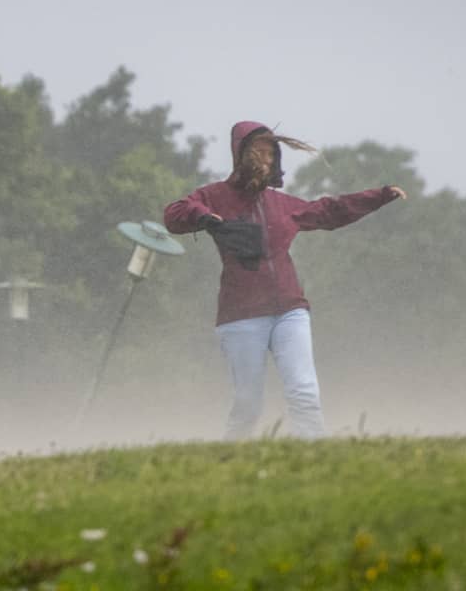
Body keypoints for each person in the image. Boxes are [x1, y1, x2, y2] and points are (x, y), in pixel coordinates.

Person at [163, 121, 406, 440]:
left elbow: (330, 211)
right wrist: (204, 218)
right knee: (248, 403)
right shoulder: (214, 196)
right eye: (258, 152)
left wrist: (380, 196)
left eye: (270, 154)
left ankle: (318, 458)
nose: (264, 160)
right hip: (240, 316)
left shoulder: (281, 204)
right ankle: (228, 459)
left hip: (290, 311)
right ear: (240, 154)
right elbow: (174, 214)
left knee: (304, 392)